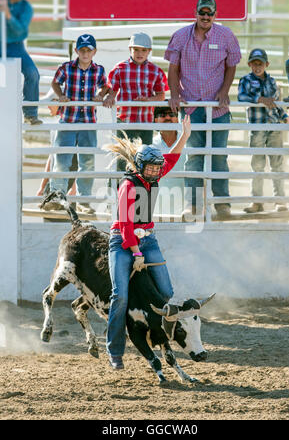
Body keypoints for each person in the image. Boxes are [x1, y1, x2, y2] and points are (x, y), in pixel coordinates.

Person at [104, 115, 191, 370]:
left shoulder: (154, 175)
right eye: (151, 168)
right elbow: (124, 224)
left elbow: (171, 159)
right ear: (139, 166)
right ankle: (115, 351)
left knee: (166, 292)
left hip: (148, 240)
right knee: (119, 295)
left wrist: (183, 135)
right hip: (122, 242)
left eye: (157, 168)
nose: (156, 171)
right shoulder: (128, 186)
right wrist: (135, 252)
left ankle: (149, 328)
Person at [164, 0, 241, 220]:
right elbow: (173, 68)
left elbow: (231, 66)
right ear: (196, 13)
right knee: (194, 157)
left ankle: (221, 204)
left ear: (215, 15)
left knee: (218, 156)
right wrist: (175, 94)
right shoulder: (180, 36)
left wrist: (225, 91)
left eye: (210, 13)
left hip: (218, 108)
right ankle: (193, 205)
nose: (206, 17)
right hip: (191, 106)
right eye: (202, 13)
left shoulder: (225, 35)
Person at [42, 34, 112, 214]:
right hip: (68, 119)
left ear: (94, 51)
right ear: (76, 51)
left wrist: (100, 95)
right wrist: (61, 95)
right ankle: (57, 196)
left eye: (89, 50)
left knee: (87, 161)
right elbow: (55, 83)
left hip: (88, 120)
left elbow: (106, 86)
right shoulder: (66, 68)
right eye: (82, 50)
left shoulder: (98, 70)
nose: (85, 53)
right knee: (62, 159)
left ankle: (84, 200)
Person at [104, 32, 168, 174]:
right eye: (136, 50)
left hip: (145, 122)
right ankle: (118, 191)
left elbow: (161, 95)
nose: (140, 53)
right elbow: (112, 90)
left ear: (149, 51)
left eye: (144, 50)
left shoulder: (156, 71)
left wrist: (148, 100)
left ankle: (138, 192)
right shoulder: (120, 69)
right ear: (130, 50)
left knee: (144, 161)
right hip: (125, 121)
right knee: (122, 159)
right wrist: (110, 97)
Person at [238, 48, 289, 213]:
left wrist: (285, 116)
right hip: (257, 126)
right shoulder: (245, 80)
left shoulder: (272, 81)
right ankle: (257, 201)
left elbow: (277, 102)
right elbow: (242, 97)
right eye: (254, 63)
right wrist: (260, 99)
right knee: (258, 165)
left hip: (274, 125)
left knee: (277, 164)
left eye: (260, 63)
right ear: (250, 64)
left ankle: (279, 200)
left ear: (266, 64)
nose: (257, 66)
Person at [0, 0, 42, 124]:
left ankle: (30, 114)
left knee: (33, 74)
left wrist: (7, 14)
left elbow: (20, 31)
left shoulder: (26, 7)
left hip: (16, 46)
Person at [152, 106, 185, 216]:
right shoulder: (150, 144)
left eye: (172, 115)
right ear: (155, 120)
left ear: (177, 119)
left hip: (183, 206)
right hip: (156, 206)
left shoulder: (187, 142)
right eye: (162, 115)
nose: (167, 118)